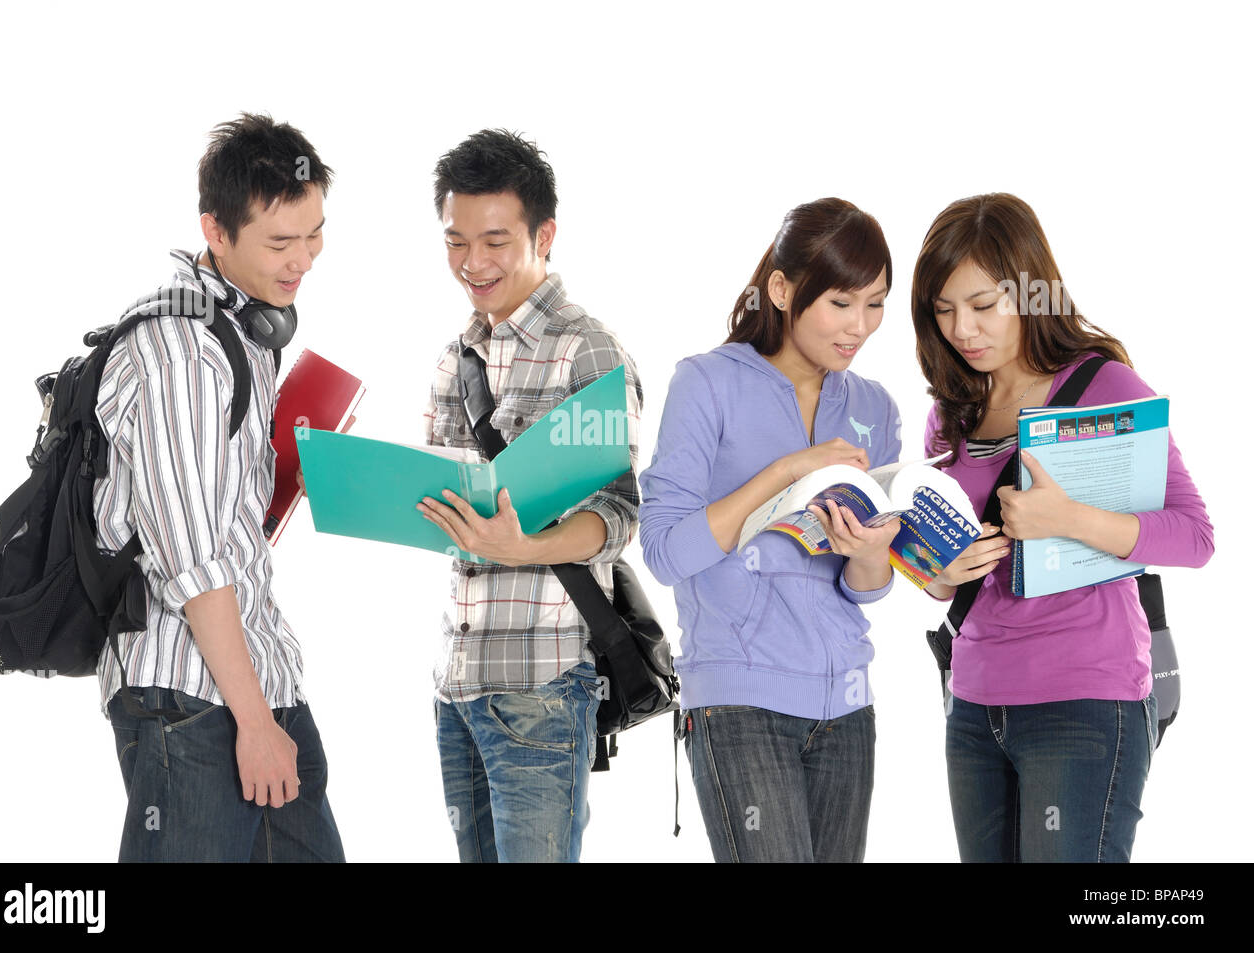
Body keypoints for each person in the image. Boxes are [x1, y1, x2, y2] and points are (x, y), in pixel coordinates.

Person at [912, 192, 1214, 863]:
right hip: (973, 705)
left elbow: (1195, 536)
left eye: (983, 305)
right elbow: (947, 582)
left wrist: (1066, 519)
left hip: (1085, 701)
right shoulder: (951, 411)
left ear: (1030, 291)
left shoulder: (1107, 386)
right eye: (943, 308)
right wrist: (938, 575)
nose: (963, 328)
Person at [95, 113, 344, 862]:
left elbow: (215, 520)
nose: (302, 260)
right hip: (193, 699)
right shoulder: (183, 353)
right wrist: (254, 722)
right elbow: (192, 561)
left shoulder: (241, 336)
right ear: (216, 229)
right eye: (279, 242)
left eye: (315, 234)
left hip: (258, 678)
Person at [639, 198, 901, 862]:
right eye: (842, 303)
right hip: (738, 701)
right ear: (783, 290)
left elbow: (867, 589)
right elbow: (667, 551)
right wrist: (787, 472)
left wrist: (870, 552)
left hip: (847, 708)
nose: (859, 327)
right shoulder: (706, 383)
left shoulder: (873, 406)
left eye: (875, 304)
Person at [419, 129, 642, 863]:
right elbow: (440, 500)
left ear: (544, 234)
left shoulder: (588, 349)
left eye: (494, 241)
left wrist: (530, 547)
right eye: (456, 241)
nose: (472, 264)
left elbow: (617, 516)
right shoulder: (456, 358)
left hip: (542, 682)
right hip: (458, 679)